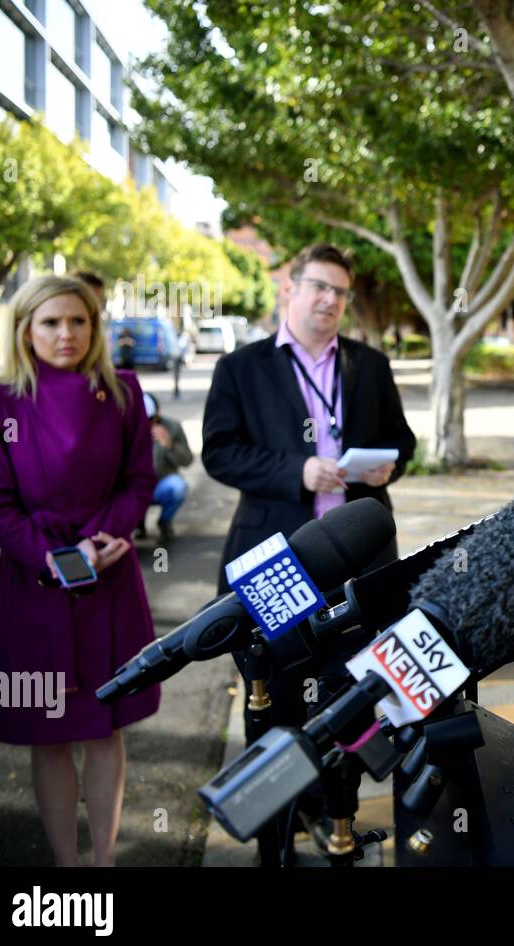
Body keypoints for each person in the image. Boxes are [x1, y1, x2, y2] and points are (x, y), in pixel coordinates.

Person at [201, 243, 416, 861]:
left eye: (340, 292)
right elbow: (221, 453)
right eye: (318, 287)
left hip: (360, 560)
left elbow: (402, 440)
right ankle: (274, 840)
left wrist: (385, 467)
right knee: (276, 700)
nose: (330, 301)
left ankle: (335, 817)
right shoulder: (242, 368)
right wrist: (298, 470)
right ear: (288, 290)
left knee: (352, 695)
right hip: (277, 560)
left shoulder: (368, 364)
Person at [0, 274, 160, 866]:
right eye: (50, 322)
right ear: (23, 329)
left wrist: (112, 534)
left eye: (78, 321)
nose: (66, 333)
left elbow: (138, 480)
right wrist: (52, 559)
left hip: (109, 576)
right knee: (49, 733)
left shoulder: (122, 390)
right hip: (35, 580)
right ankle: (66, 868)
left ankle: (103, 863)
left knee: (105, 729)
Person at [139, 392, 192, 544]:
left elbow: (187, 461)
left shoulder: (172, 427)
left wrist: (169, 446)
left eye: (150, 420)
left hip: (160, 484)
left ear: (158, 413)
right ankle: (137, 523)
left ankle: (164, 522)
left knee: (178, 486)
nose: (147, 424)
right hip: (135, 486)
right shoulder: (125, 427)